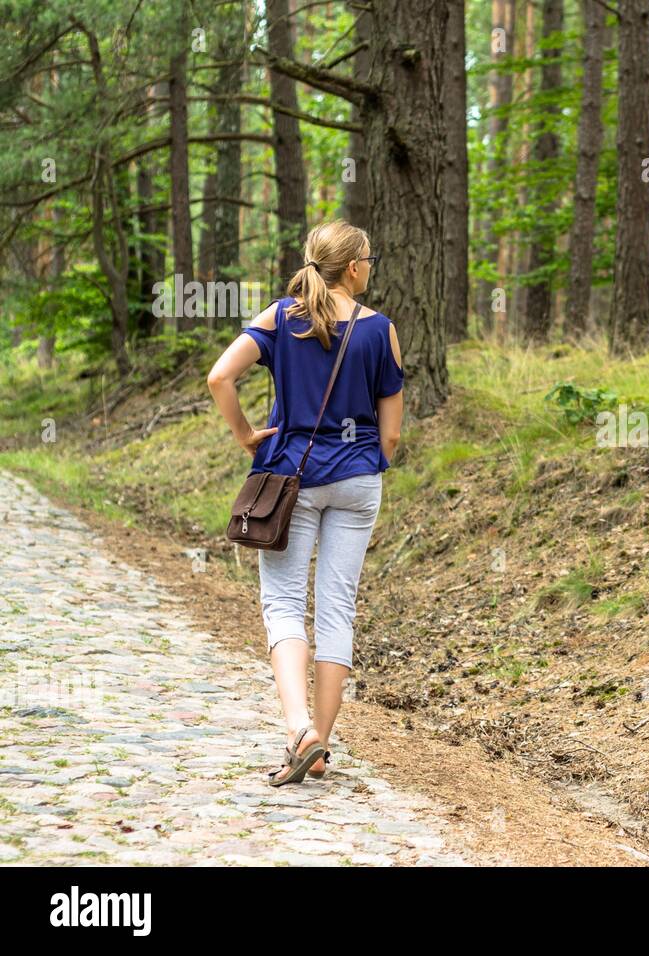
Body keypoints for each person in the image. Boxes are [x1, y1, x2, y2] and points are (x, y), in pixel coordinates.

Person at [206, 219, 404, 786]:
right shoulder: (380, 330)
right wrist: (368, 464)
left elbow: (221, 377)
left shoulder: (280, 317)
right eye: (369, 256)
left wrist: (247, 435)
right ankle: (321, 740)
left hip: (290, 477)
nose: (372, 264)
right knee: (337, 607)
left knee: (285, 606)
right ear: (354, 266)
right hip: (358, 479)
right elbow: (390, 436)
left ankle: (299, 731)